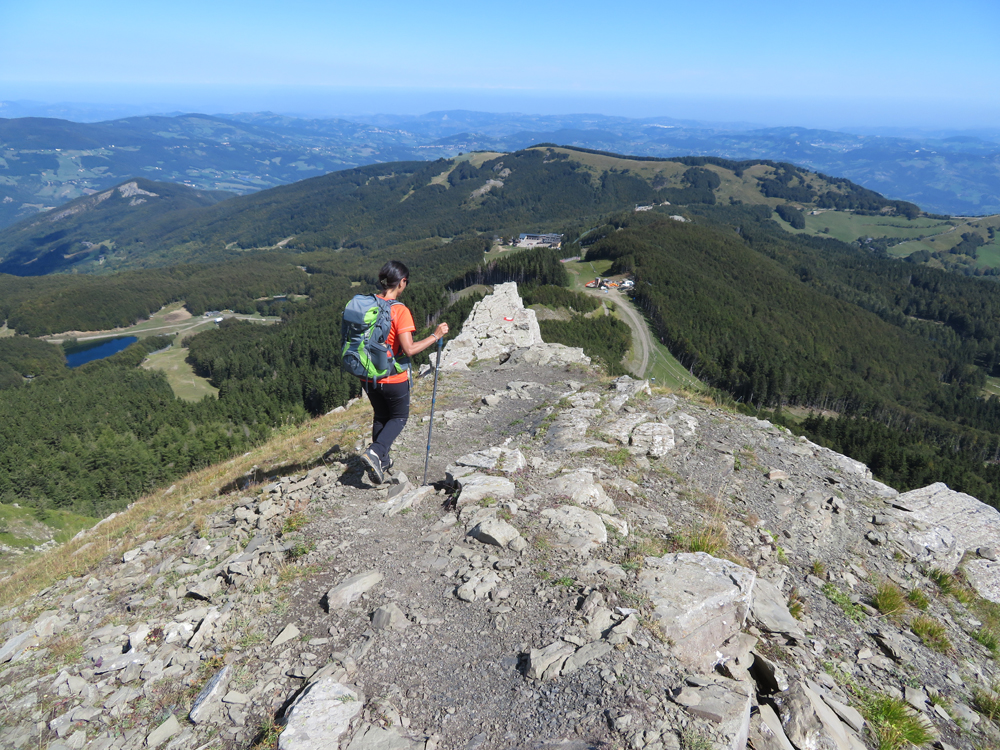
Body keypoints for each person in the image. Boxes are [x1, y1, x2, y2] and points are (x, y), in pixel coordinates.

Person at [359, 260, 449, 484]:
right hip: (392, 376)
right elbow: (408, 350)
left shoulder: (366, 304)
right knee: (399, 417)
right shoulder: (400, 311)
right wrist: (435, 336)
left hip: (367, 374)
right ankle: (375, 452)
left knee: (381, 415)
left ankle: (382, 459)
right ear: (402, 282)